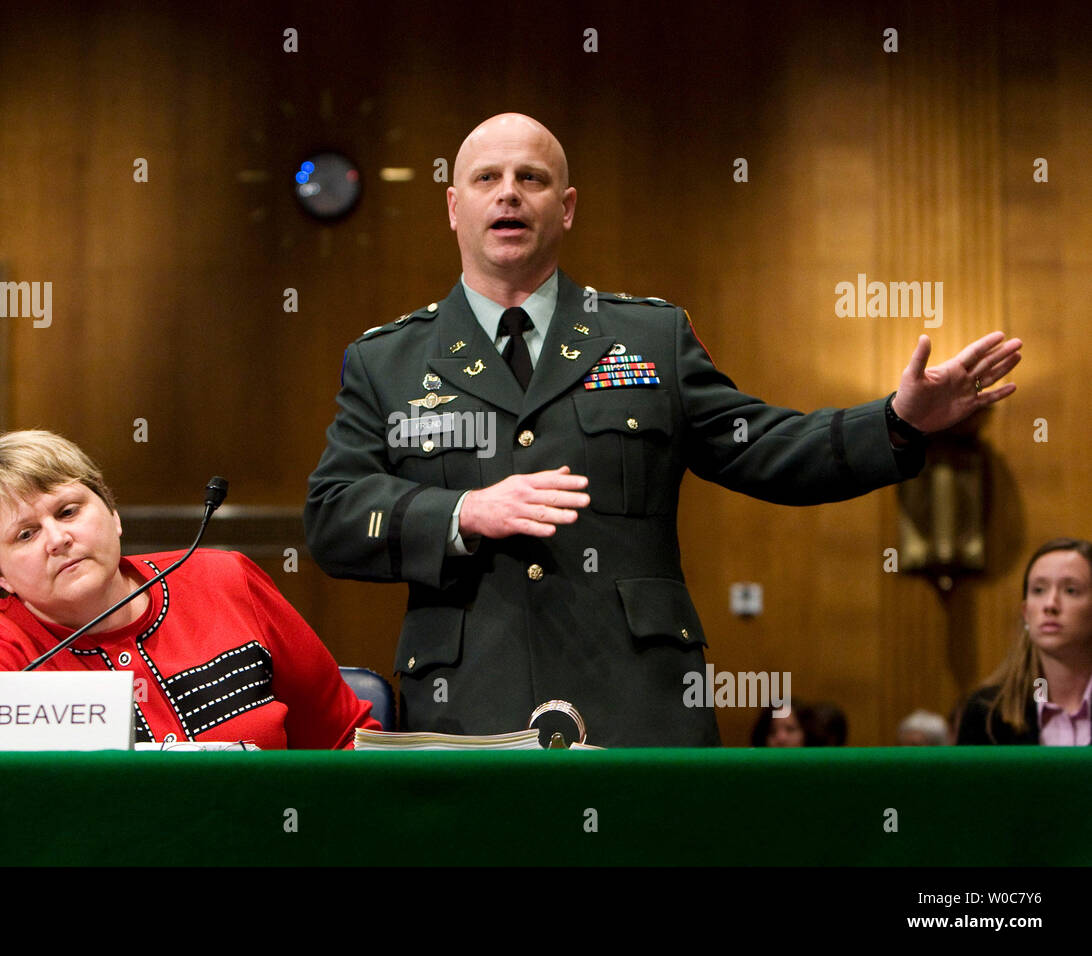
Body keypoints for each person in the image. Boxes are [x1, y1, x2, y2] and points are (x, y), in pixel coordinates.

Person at [304, 112, 1023, 747]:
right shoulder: (388, 360)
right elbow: (334, 515)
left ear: (568, 207)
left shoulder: (648, 337)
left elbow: (763, 447)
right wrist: (464, 511)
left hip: (635, 704)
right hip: (469, 712)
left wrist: (896, 423)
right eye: (487, 178)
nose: (510, 192)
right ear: (454, 209)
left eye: (532, 177)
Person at [0, 430, 379, 749]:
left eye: (68, 511)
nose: (57, 539)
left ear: (112, 514)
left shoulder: (226, 581)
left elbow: (344, 739)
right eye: (26, 535)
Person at [957, 538, 1092, 745]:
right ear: (1025, 612)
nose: (1050, 605)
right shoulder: (986, 713)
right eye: (1039, 590)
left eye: (1070, 590)